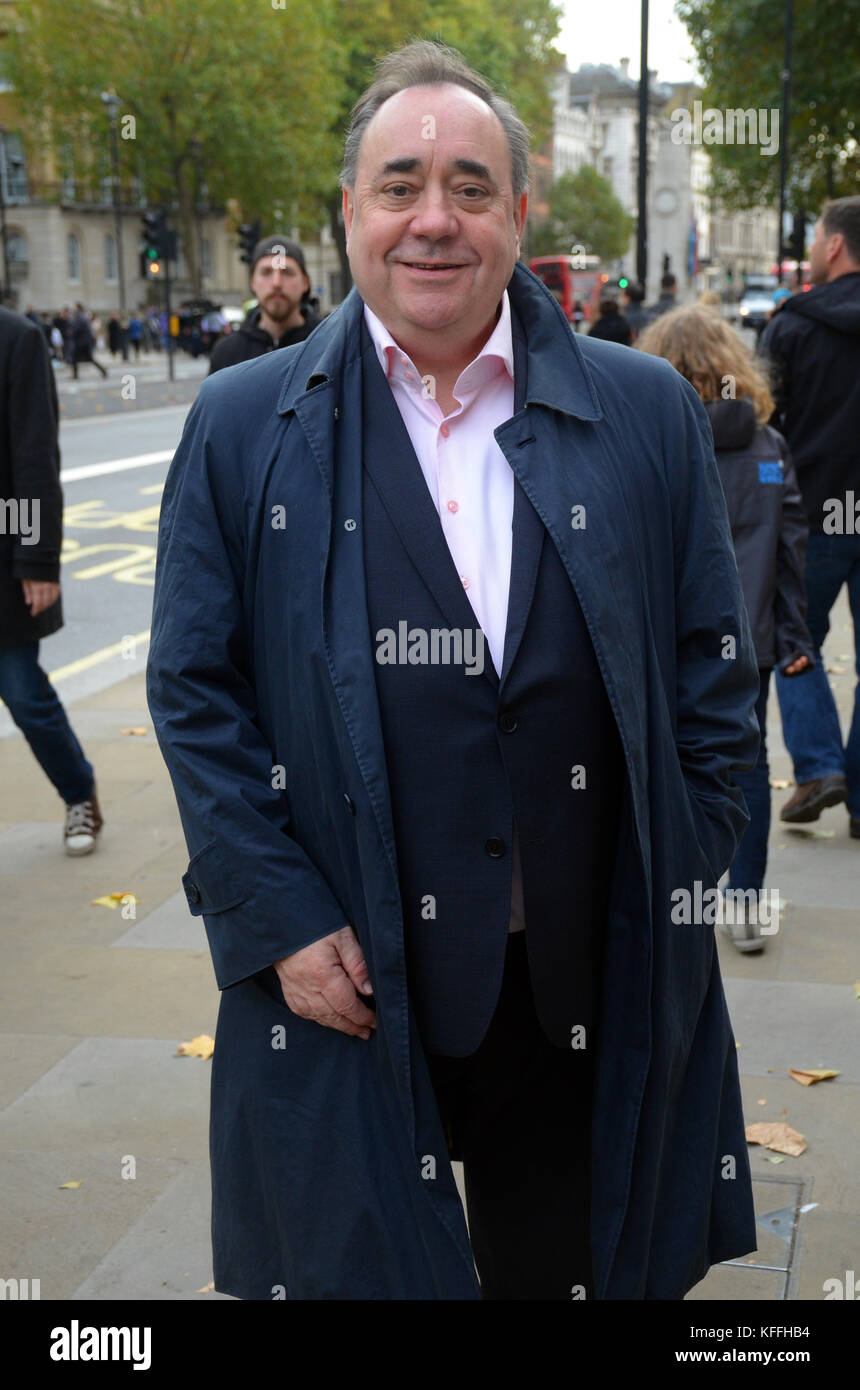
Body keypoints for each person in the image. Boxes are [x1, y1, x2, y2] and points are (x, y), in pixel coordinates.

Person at [148, 39, 760, 1301]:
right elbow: (195, 695)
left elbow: (711, 676)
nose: (434, 219)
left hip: (578, 987)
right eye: (401, 184)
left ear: (518, 214)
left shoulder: (642, 408)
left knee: (578, 1269)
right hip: (354, 984)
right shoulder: (240, 422)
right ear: (349, 211)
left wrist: (692, 890)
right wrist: (279, 921)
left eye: (471, 187)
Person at [639, 306, 815, 951]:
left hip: (658, 634)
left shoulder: (644, 439)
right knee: (745, 764)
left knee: (654, 761)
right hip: (749, 634)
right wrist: (796, 636)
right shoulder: (768, 447)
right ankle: (743, 907)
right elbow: (792, 548)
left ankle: (664, 900)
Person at [758, 196, 860, 838]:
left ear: (834, 247)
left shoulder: (793, 325)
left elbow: (764, 421)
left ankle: (820, 767)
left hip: (817, 511)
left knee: (794, 641)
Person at [0, 308, 102, 854]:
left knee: (23, 695)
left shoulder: (18, 339)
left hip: (3, 559)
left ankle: (78, 791)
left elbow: (33, 455)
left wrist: (36, 559)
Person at [207, 235, 319, 374]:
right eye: (266, 272)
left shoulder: (328, 345)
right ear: (252, 282)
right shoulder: (226, 353)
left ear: (305, 283)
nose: (276, 283)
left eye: (287, 272)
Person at [69, 304, 107, 379]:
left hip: (82, 343)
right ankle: (103, 371)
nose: (74, 310)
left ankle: (103, 371)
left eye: (75, 308)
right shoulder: (82, 317)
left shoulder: (80, 317)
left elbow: (77, 329)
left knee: (78, 358)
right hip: (83, 343)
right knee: (79, 359)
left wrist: (71, 331)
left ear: (79, 309)